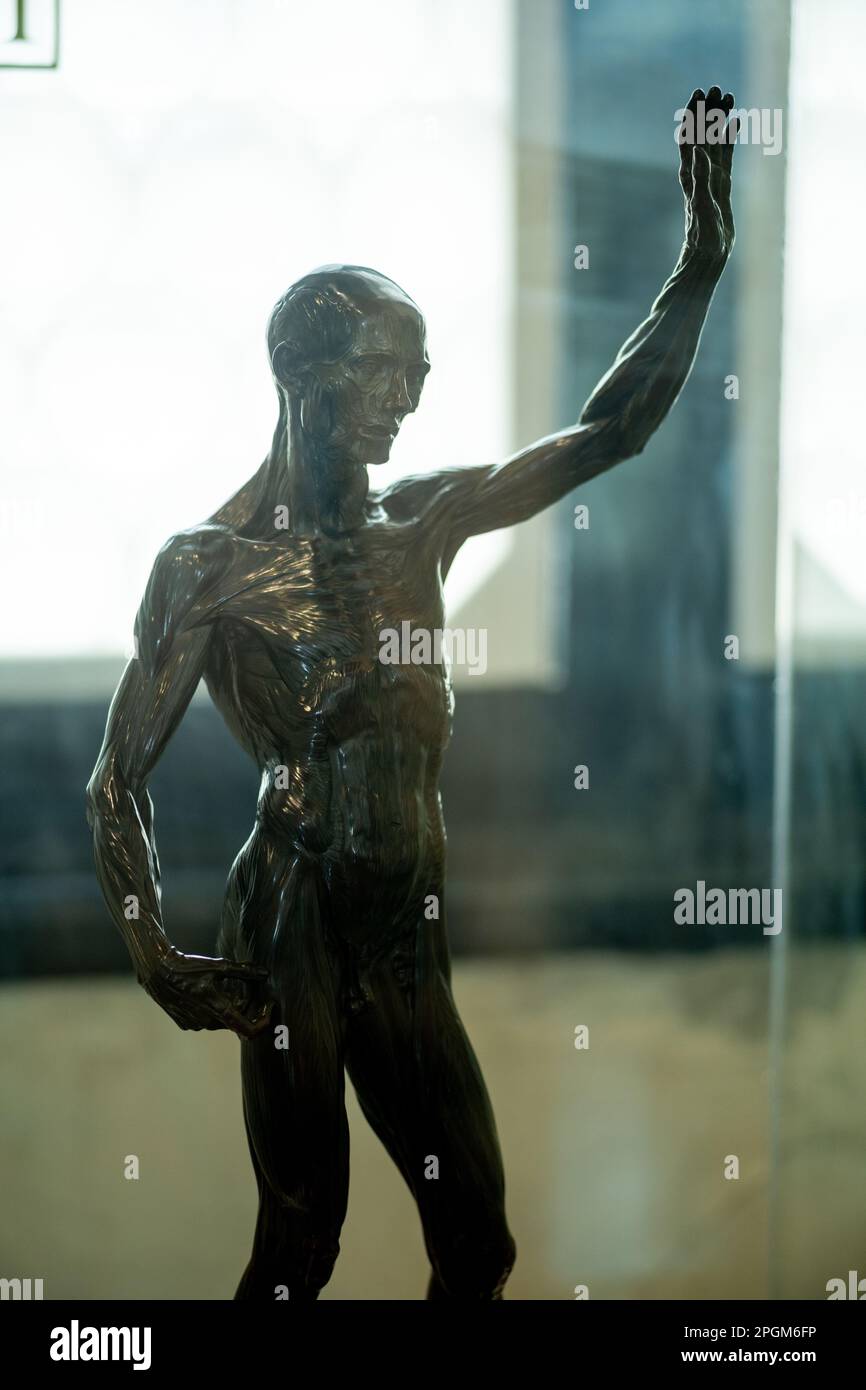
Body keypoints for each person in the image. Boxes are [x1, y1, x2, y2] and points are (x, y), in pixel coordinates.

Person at [86, 87, 736, 1300]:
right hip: (293, 920)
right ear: (304, 370)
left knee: (476, 1243)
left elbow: (607, 434)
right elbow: (117, 774)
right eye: (384, 372)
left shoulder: (423, 521)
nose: (407, 399)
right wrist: (156, 954)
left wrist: (698, 262)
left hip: (407, 927)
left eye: (419, 375)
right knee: (299, 1248)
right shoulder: (210, 567)